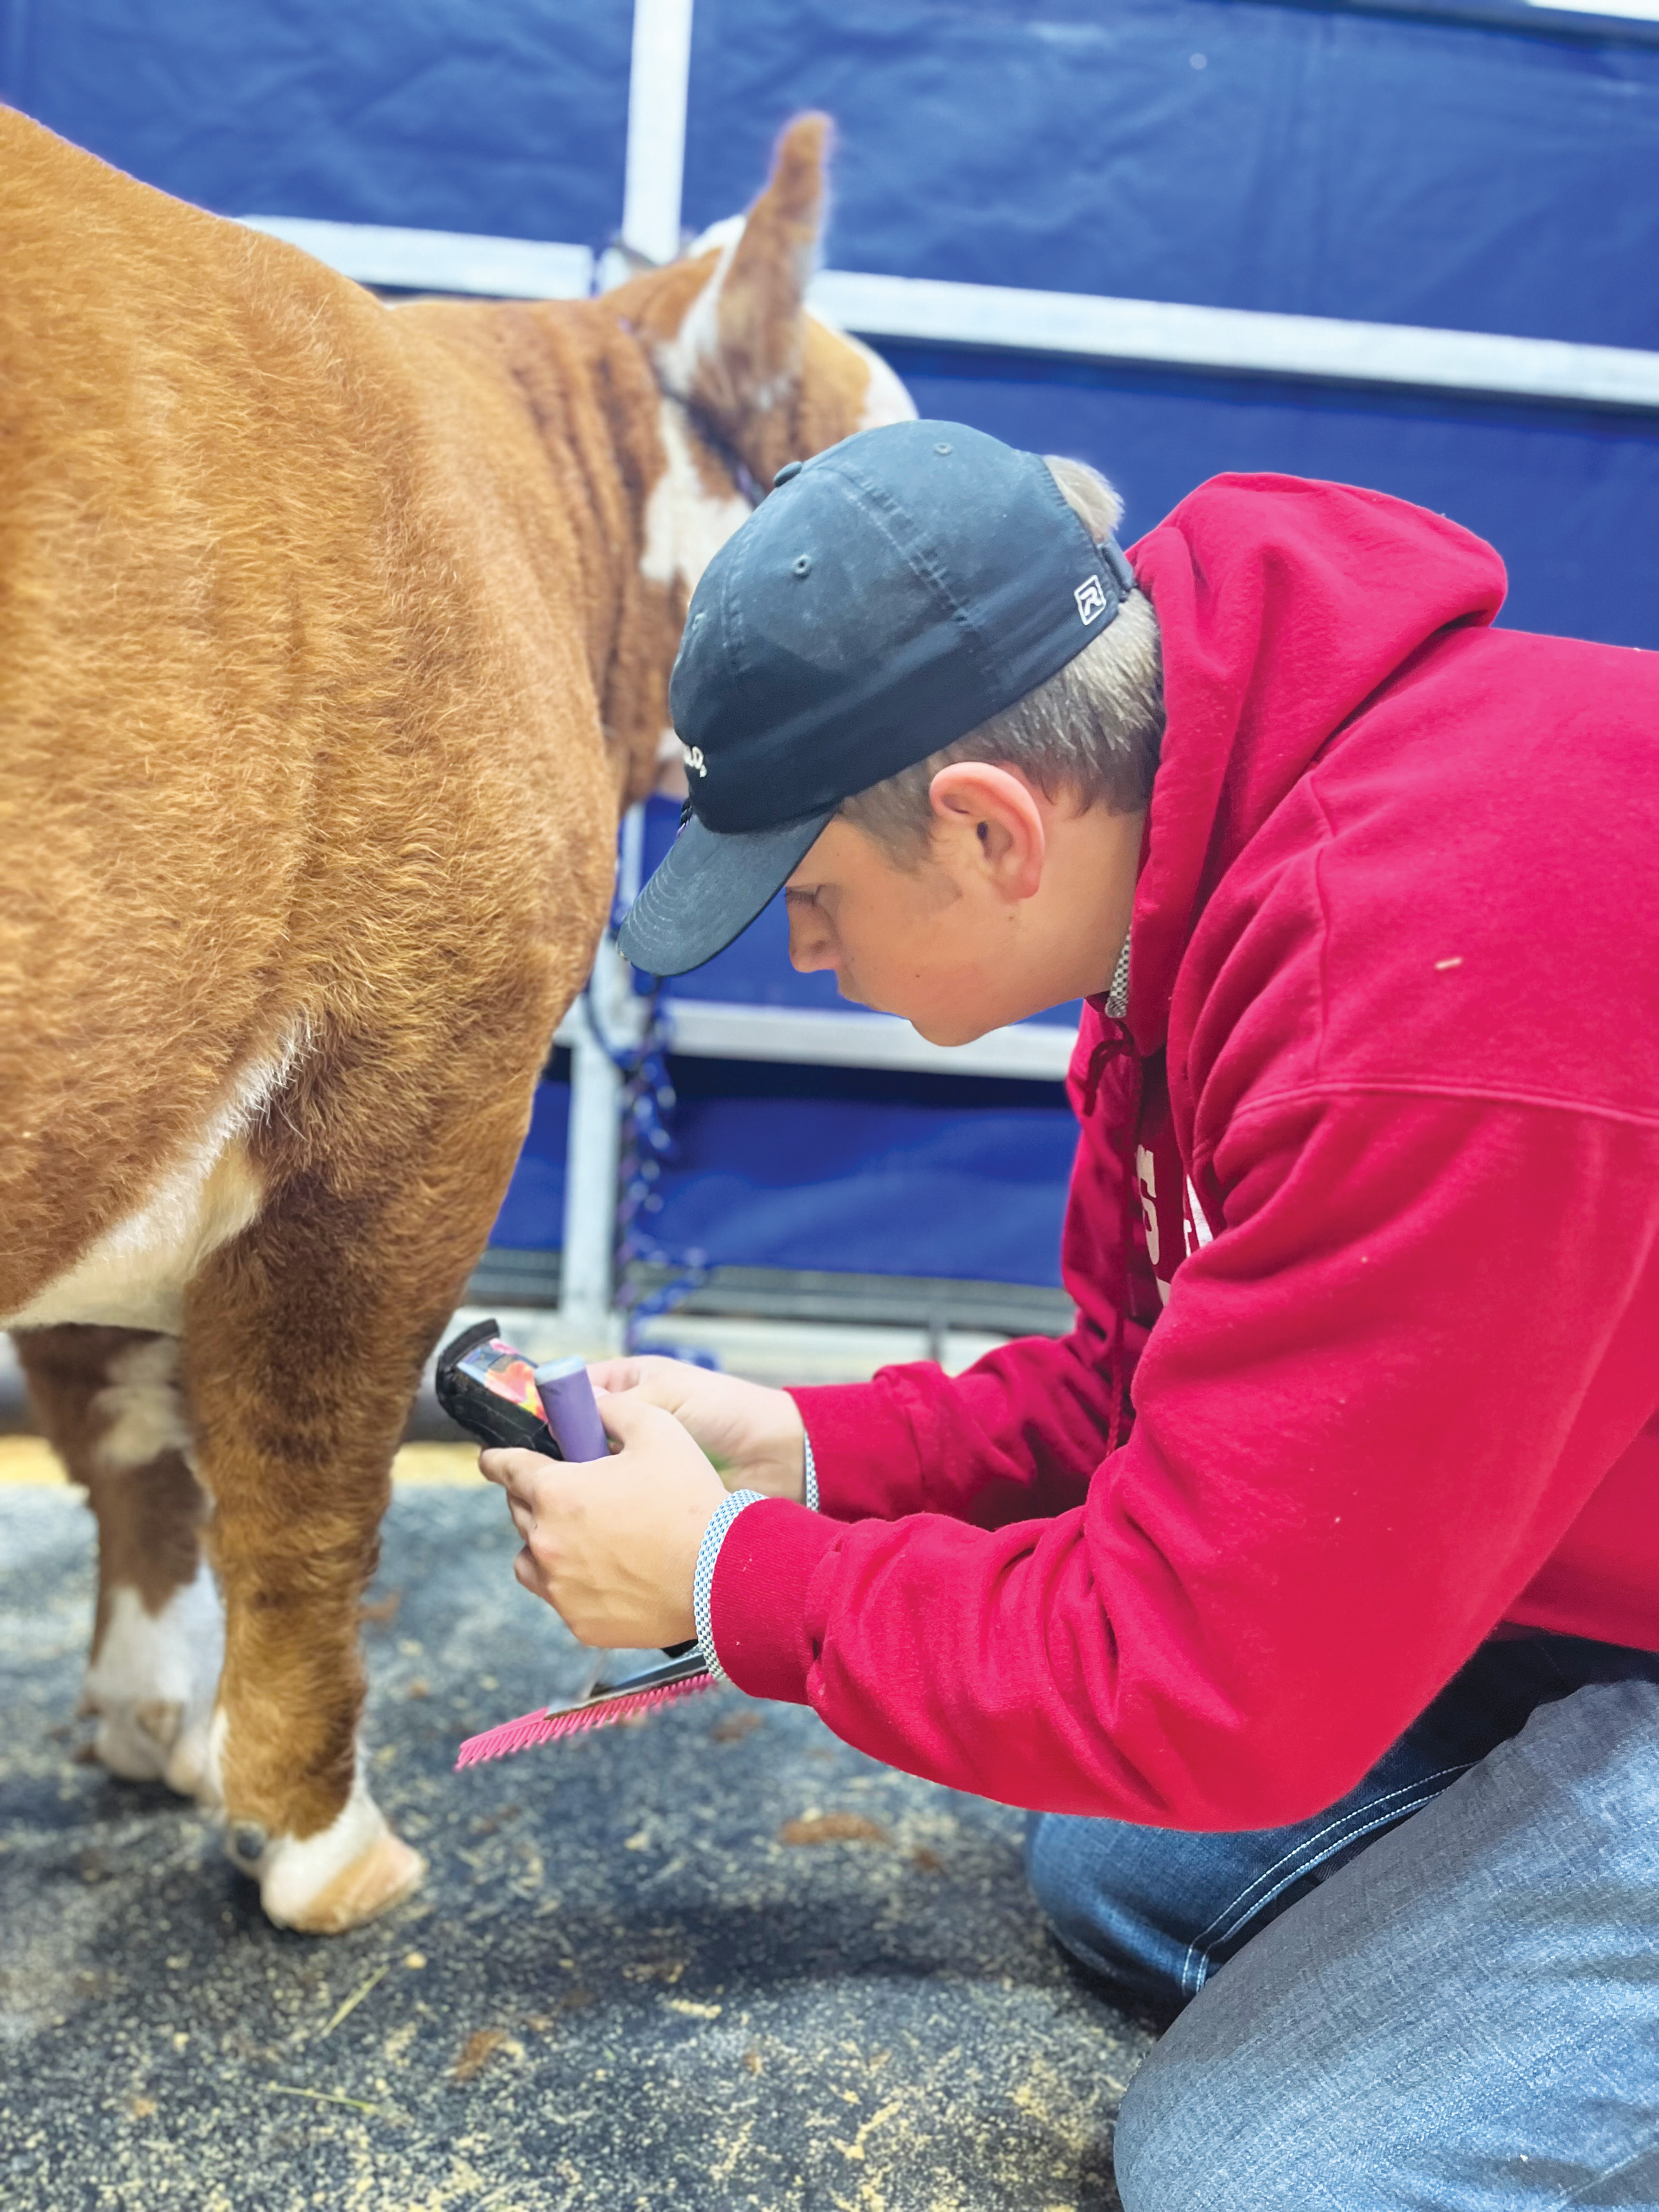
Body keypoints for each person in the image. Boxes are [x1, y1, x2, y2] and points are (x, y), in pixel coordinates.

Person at [480, 419, 1659, 2209]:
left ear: (987, 827)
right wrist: (802, 1449)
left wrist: (730, 1583)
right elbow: (1158, 1398)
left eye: (815, 894)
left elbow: (1206, 1676)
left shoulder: (1400, 1006)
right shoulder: (1205, 860)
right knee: (1120, 1866)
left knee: (1258, 2177)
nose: (805, 954)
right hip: (1597, 1559)